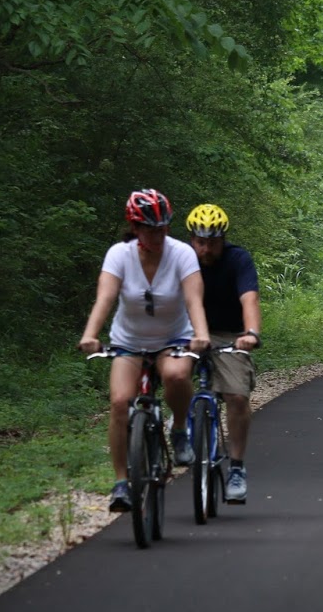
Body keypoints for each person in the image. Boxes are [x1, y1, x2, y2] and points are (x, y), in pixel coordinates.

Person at [79, 189, 210, 512]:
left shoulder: (181, 254)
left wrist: (201, 334)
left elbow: (193, 299)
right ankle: (121, 483)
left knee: (176, 375)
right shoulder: (119, 255)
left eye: (163, 228)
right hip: (129, 340)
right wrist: (91, 334)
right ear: (135, 228)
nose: (158, 235)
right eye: (151, 229)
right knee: (119, 402)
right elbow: (105, 297)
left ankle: (179, 429)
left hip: (173, 337)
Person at [184, 203, 261, 503]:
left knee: (237, 396)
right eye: (200, 242)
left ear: (223, 239)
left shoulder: (238, 259)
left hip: (230, 334)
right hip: (187, 331)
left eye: (212, 242)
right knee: (171, 373)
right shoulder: (182, 259)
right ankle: (178, 425)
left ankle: (237, 467)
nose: (205, 249)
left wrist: (251, 333)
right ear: (192, 239)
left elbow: (249, 299)